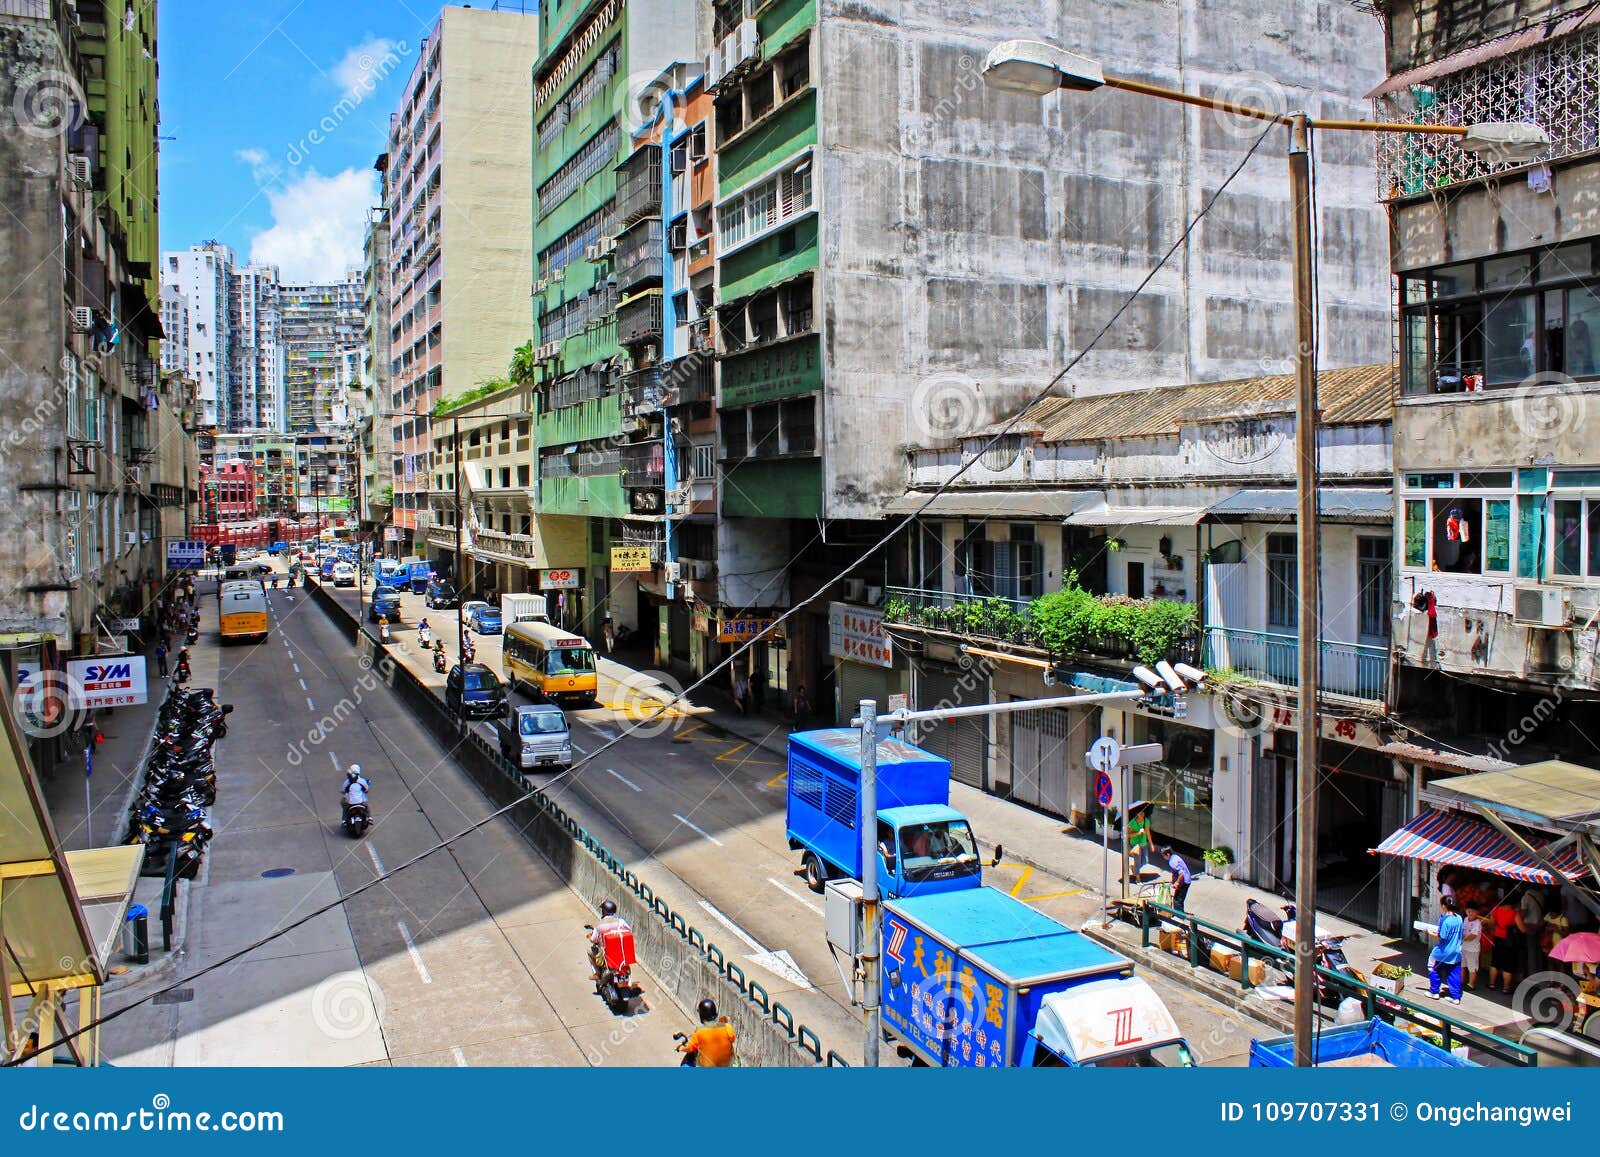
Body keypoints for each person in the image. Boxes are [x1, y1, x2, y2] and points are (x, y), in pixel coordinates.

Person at [677, 998, 736, 1068]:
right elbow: (732, 1039)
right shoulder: (727, 1027)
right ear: (716, 1013)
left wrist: (680, 1048)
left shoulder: (699, 1032)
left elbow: (690, 1048)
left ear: (701, 1016)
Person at [1429, 894, 1465, 1004]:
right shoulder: (1459, 918)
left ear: (1444, 906)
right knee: (1454, 973)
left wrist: (1430, 933)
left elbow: (1442, 936)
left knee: (1433, 968)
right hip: (1456, 952)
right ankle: (1456, 997)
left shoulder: (1444, 920)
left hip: (1443, 952)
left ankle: (1434, 992)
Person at [587, 899, 630, 981]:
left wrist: (590, 936)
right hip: (622, 952)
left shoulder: (599, 925)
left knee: (589, 951)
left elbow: (593, 939)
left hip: (606, 954)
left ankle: (597, 973)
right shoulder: (621, 921)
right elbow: (628, 931)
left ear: (604, 912)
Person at [1490, 888, 1520, 993]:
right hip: (1509, 940)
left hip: (1497, 938)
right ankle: (1506, 988)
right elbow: (1522, 928)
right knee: (1508, 965)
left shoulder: (1496, 910)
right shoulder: (1514, 913)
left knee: (1495, 962)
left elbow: (1492, 923)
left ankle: (1491, 984)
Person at [1520, 885, 1547, 981]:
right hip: (1539, 924)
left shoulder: (1526, 897)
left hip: (1529, 925)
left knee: (1531, 950)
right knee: (1538, 949)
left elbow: (1523, 913)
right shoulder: (1540, 895)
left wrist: (1518, 920)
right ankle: (1539, 971)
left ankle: (1532, 974)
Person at [1161, 845, 1193, 912]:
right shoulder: (1175, 857)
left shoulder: (1172, 862)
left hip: (1184, 882)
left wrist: (1177, 882)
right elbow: (1175, 872)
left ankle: (1179, 916)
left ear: (1168, 854)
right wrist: (1173, 881)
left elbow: (1181, 873)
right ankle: (1179, 913)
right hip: (1186, 879)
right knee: (1177, 898)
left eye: (1163, 856)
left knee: (1178, 900)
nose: (1163, 857)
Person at [1125, 801, 1153, 874]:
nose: (1142, 814)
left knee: (1145, 861)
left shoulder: (1146, 821)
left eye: (1143, 813)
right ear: (1137, 814)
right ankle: (1138, 879)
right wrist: (1138, 833)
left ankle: (1134, 869)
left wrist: (1151, 844)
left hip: (1143, 844)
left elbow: (1148, 832)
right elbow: (1128, 834)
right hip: (1135, 844)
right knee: (1137, 862)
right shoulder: (1132, 822)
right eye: (1140, 813)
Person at [1462, 901, 1484, 990]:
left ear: (1477, 912)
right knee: (1462, 965)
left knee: (1472, 968)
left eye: (1473, 911)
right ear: (1466, 911)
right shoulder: (1465, 919)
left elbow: (1472, 936)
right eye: (1469, 911)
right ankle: (1461, 981)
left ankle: (1471, 984)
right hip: (1464, 947)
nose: (1470, 913)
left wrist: (1461, 939)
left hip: (1473, 949)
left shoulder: (1478, 923)